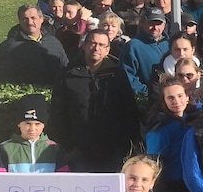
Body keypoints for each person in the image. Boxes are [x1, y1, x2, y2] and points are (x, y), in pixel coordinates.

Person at [49, 28, 140, 172]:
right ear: (84, 45)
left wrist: (125, 147)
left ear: (107, 49)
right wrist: (69, 147)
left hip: (113, 152)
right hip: (79, 154)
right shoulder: (67, 75)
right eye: (92, 43)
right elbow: (57, 114)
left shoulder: (117, 74)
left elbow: (129, 111)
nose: (96, 48)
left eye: (101, 45)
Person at [0, 4, 67, 85]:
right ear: (19, 21)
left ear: (41, 19)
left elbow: (65, 67)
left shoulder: (53, 42)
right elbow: (4, 78)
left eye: (33, 18)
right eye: (25, 19)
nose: (30, 22)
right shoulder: (9, 47)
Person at [122, 7, 171, 96]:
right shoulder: (132, 46)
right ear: (142, 22)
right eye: (151, 23)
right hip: (149, 101)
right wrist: (148, 93)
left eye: (158, 23)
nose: (155, 27)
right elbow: (128, 77)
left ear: (164, 24)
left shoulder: (170, 44)